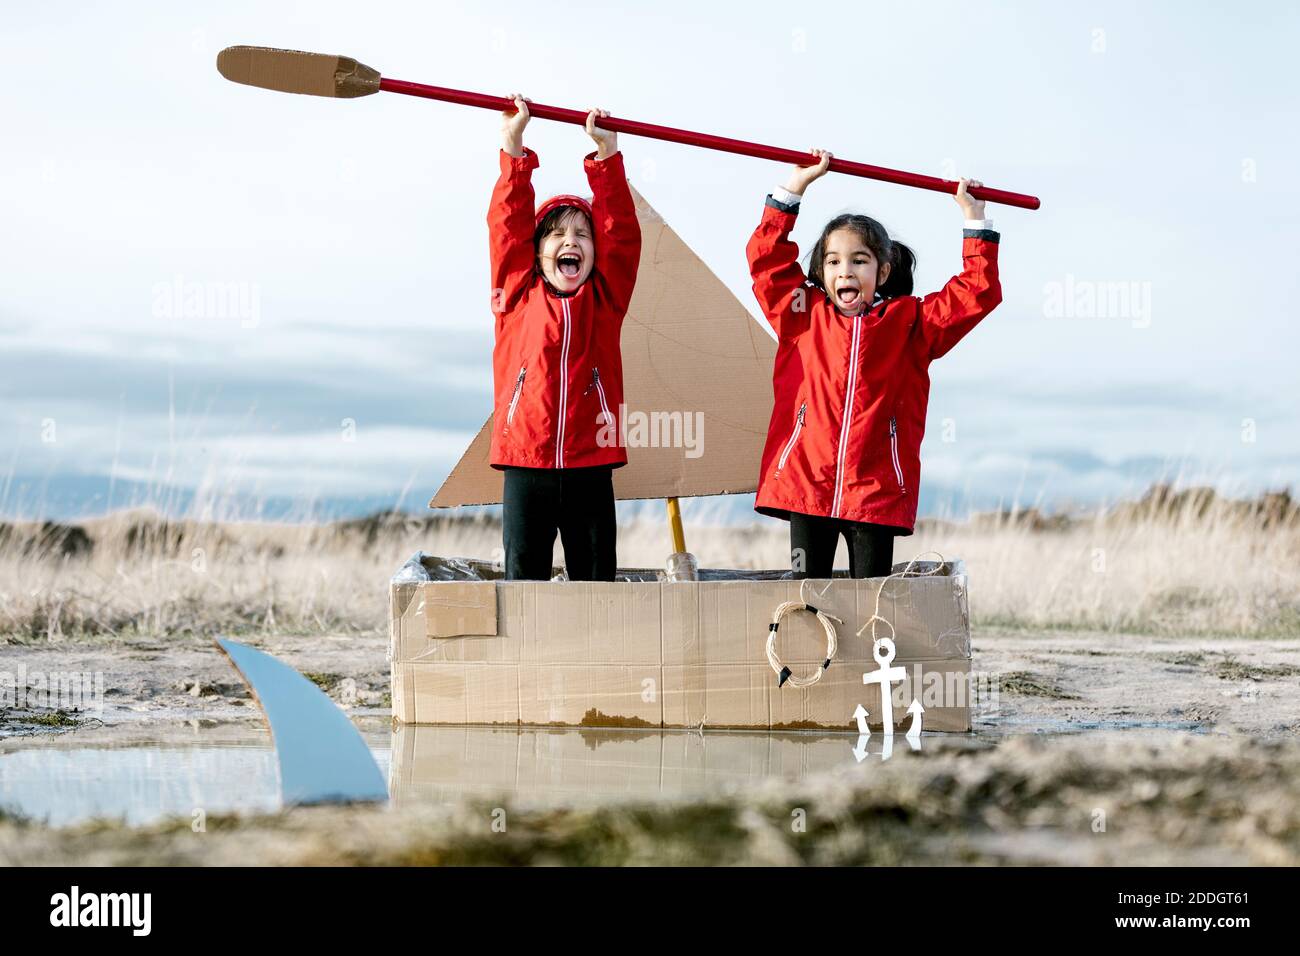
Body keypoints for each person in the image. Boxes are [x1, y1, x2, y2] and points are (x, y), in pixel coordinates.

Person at [745, 149, 1002, 578]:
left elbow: (977, 292)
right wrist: (793, 189)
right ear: (822, 273)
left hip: (877, 494)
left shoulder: (912, 325)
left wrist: (974, 220)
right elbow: (766, 261)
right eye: (833, 261)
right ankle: (812, 648)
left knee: (871, 601)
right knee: (807, 594)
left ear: (882, 271)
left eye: (858, 260)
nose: (845, 270)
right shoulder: (800, 313)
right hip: (806, 485)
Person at [488, 95, 641, 581]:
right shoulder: (515, 294)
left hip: (590, 463)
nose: (570, 241)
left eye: (582, 234)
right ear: (536, 254)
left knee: (596, 580)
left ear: (596, 253)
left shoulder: (606, 300)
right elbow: (507, 226)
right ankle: (525, 661)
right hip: (525, 462)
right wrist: (514, 151)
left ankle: (596, 659)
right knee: (523, 579)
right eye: (555, 234)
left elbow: (622, 233)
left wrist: (606, 160)